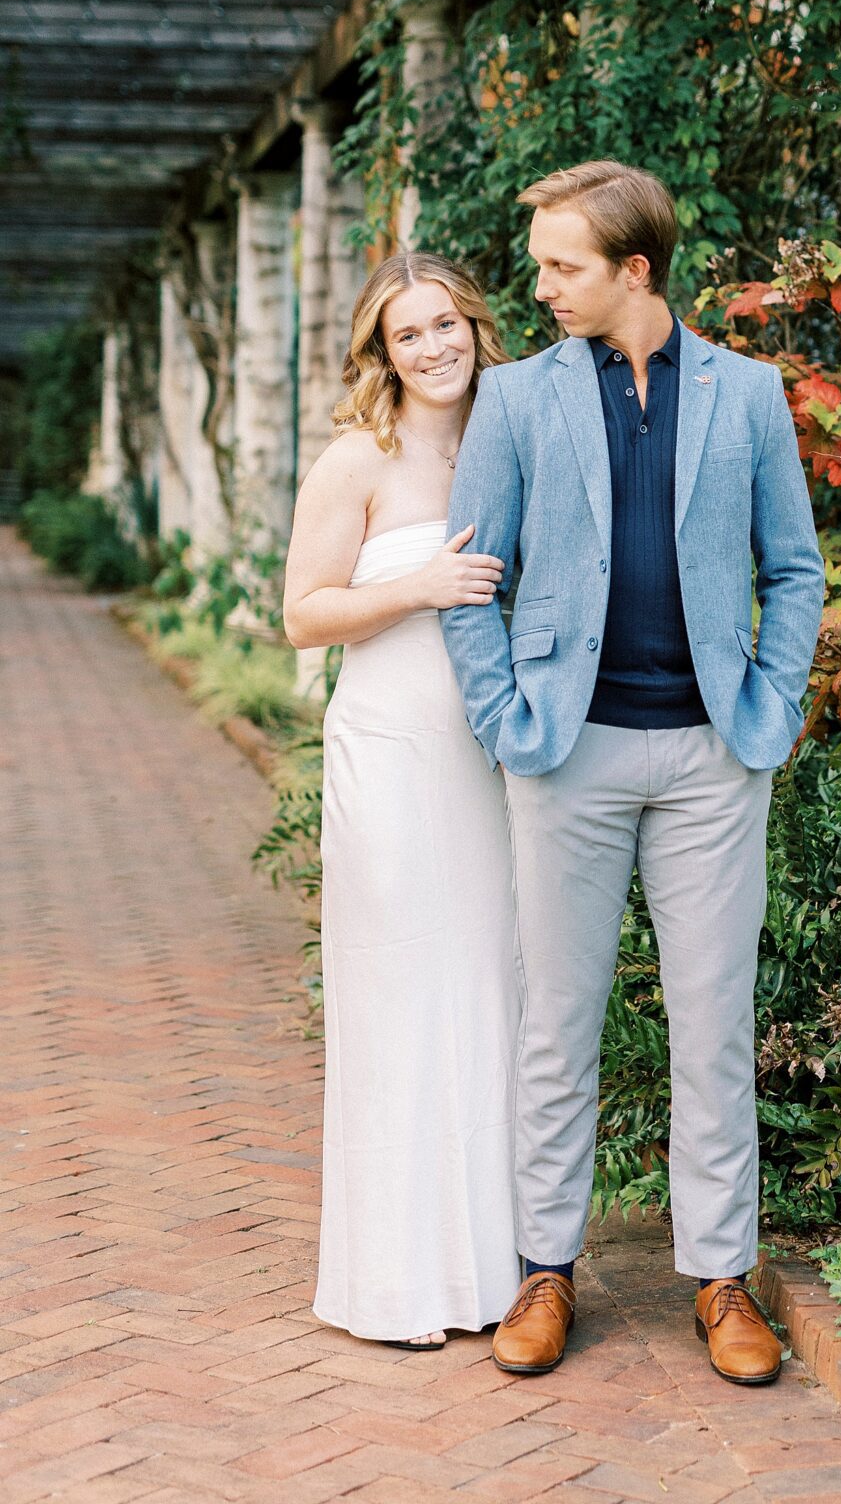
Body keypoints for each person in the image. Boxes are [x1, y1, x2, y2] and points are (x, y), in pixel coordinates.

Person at [443, 160, 824, 1385]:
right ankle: (544, 1269)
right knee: (558, 1024)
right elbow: (471, 577)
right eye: (545, 262)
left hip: (715, 753)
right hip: (567, 752)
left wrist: (768, 705)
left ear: (635, 270)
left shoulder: (750, 394)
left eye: (565, 265)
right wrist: (506, 715)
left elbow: (797, 570)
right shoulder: (513, 400)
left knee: (713, 1029)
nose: (543, 285)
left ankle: (720, 1277)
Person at [283, 251, 520, 1350]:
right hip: (389, 747)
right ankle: (397, 1281)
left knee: (487, 988)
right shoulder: (356, 460)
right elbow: (303, 612)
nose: (432, 348)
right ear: (381, 351)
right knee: (397, 991)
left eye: (445, 325)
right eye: (407, 334)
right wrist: (417, 585)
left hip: (495, 759)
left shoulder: (511, 438)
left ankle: (493, 1266)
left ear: (476, 324)